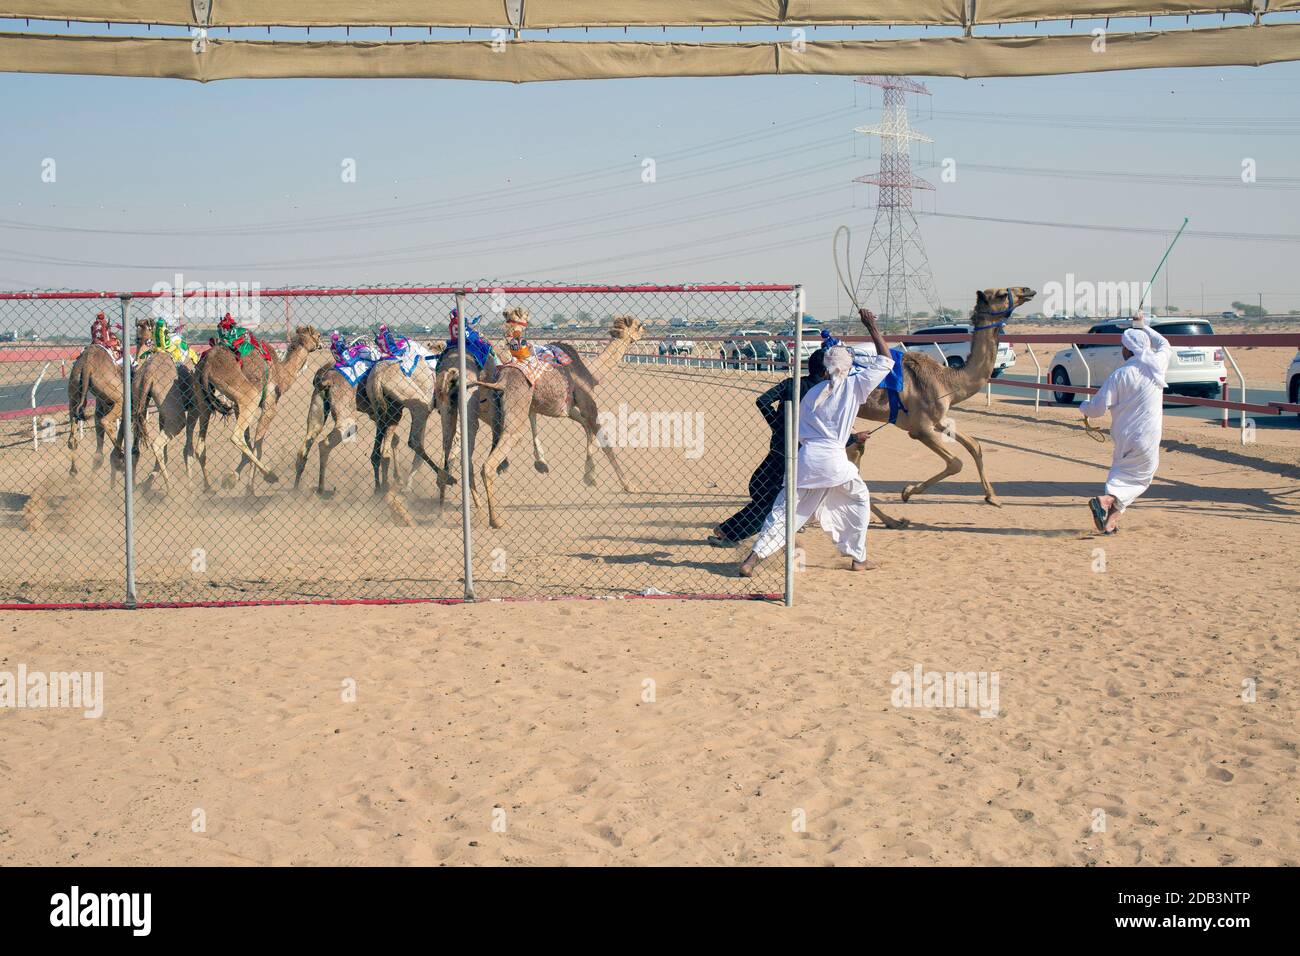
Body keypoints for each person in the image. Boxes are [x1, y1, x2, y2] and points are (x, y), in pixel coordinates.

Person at [739, 309, 895, 576]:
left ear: (824, 369)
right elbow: (886, 360)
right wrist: (871, 327)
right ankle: (858, 558)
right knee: (859, 501)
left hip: (806, 460)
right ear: (848, 367)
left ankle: (752, 559)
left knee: (783, 511)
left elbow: (801, 433)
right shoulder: (855, 386)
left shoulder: (812, 393)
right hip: (834, 462)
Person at [708, 348, 827, 546]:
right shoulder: (825, 392)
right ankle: (728, 533)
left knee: (761, 488)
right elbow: (828, 428)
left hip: (779, 448)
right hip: (799, 454)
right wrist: (853, 438)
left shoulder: (791, 384)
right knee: (771, 502)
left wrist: (778, 426)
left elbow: (762, 400)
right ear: (825, 372)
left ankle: (728, 530)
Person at [1080, 312, 1172, 534]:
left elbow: (1098, 408)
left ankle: (1109, 524)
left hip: (1123, 436)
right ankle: (1106, 500)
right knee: (1140, 478)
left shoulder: (1119, 375)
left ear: (1126, 350)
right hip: (1147, 436)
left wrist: (1084, 406)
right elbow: (1164, 344)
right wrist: (1143, 326)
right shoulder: (1157, 366)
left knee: (1122, 475)